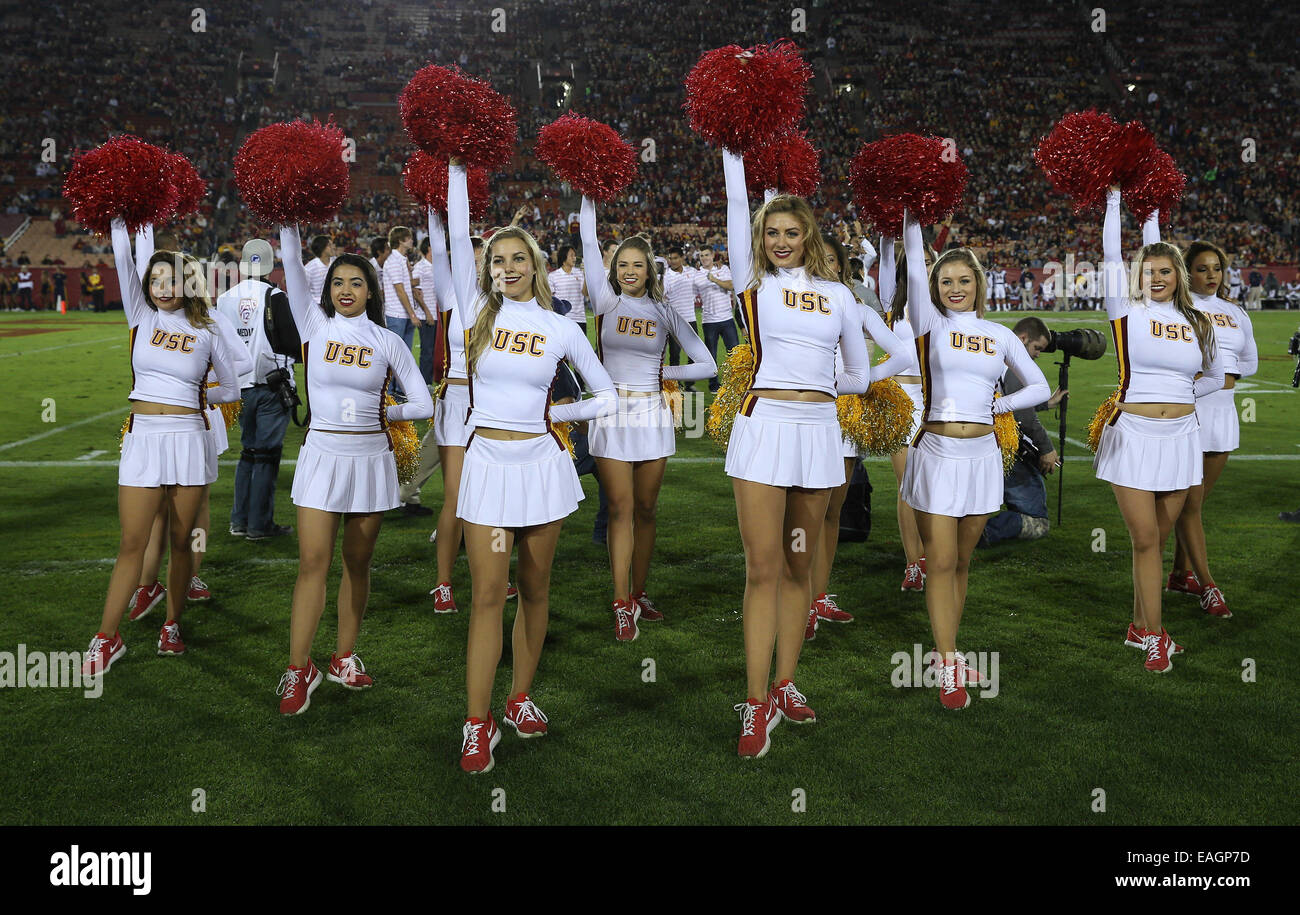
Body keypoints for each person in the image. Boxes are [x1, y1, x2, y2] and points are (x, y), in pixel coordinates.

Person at [446, 161, 616, 773]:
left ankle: (518, 698)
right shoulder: (474, 316)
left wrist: (561, 411)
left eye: (518, 260)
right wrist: (459, 162)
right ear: (487, 268)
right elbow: (457, 225)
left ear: (535, 267)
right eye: (498, 261)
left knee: (536, 590)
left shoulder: (559, 327)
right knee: (489, 595)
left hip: (542, 466)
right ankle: (476, 722)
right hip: (488, 463)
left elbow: (609, 396)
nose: (507, 269)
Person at [721, 150, 871, 758]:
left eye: (792, 232)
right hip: (763, 428)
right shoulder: (753, 286)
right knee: (762, 568)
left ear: (809, 236)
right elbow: (735, 208)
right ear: (760, 239)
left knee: (798, 566)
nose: (781, 241)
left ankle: (785, 684)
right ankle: (756, 703)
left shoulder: (837, 296)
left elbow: (859, 371)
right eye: (772, 233)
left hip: (817, 434)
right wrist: (736, 149)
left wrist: (824, 390)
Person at [273, 224, 434, 715]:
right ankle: (299, 668)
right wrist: (289, 215)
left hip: (370, 459)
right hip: (322, 456)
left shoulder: (388, 341)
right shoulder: (314, 325)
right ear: (328, 291)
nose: (346, 290)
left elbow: (423, 401)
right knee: (312, 564)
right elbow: (293, 261)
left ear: (371, 291)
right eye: (338, 283)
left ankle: (343, 655)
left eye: (356, 283)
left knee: (357, 565)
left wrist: (387, 413)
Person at [900, 209, 1049, 708]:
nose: (954, 288)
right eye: (946, 280)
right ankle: (946, 664)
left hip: (984, 454)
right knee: (939, 560)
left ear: (978, 285)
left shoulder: (1000, 334)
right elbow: (915, 271)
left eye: (964, 280)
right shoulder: (927, 324)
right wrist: (911, 210)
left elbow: (1041, 386)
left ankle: (953, 651)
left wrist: (998, 405)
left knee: (962, 561)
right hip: (937, 451)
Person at [80, 218, 240, 677]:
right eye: (154, 279)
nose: (161, 287)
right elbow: (123, 257)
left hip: (190, 437)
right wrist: (120, 215)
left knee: (181, 540)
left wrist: (201, 395)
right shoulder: (141, 316)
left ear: (188, 283)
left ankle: (172, 623)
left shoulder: (208, 329)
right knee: (132, 542)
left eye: (171, 279)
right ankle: (107, 638)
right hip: (143, 438)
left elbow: (230, 387)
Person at [1093, 188, 1223, 675]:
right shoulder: (1125, 311)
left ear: (1178, 276)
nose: (1157, 278)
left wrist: (1186, 403)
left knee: (1158, 541)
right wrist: (1113, 199)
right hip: (1133, 434)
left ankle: (1138, 626)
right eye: (1148, 271)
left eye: (1166, 270)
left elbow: (1213, 375)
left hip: (1182, 438)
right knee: (1145, 539)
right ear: (1137, 276)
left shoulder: (1197, 321)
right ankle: (1154, 637)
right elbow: (1110, 254)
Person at [580, 193, 716, 641]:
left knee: (646, 509)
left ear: (650, 270)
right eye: (623, 265)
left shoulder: (664, 311)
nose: (630, 272)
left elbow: (708, 364)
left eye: (638, 266)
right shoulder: (604, 301)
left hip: (653, 413)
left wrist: (665, 372)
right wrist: (588, 191)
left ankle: (639, 594)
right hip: (613, 411)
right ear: (613, 270)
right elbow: (586, 239)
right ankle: (621, 603)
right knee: (619, 508)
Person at [126, 228, 254, 617]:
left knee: (193, 511)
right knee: (159, 507)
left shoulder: (211, 319)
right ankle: (149, 584)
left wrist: (199, 388)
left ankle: (191, 575)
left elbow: (244, 365)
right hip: (162, 419)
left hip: (201, 419)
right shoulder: (157, 318)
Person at [806, 233, 909, 635]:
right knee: (803, 515)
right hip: (801, 416)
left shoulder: (858, 308)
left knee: (832, 513)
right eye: (821, 258)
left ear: (844, 267)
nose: (827, 266)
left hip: (843, 418)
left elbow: (899, 353)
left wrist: (858, 382)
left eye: (833, 260)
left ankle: (818, 597)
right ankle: (797, 597)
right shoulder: (792, 301)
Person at [1168, 239, 1257, 618]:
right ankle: (1208, 586)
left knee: (1196, 503)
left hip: (1224, 411)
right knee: (1189, 503)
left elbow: (1250, 362)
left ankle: (1178, 574)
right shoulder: (1179, 310)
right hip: (1192, 407)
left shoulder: (1235, 312)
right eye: (1202, 269)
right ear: (1188, 272)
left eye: (1216, 269)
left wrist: (1224, 369)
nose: (1211, 276)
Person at [217, 238, 296, 541]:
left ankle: (239, 520)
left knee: (248, 452)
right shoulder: (275, 296)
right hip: (270, 384)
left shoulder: (224, 298)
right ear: (270, 265)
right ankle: (259, 525)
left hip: (237, 387)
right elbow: (291, 343)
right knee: (266, 455)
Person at [978, 317, 1067, 547]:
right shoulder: (1014, 364)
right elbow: (1023, 418)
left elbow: (1005, 400)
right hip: (1006, 446)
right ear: (1022, 338)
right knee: (1036, 521)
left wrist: (1044, 404)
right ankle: (980, 534)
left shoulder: (991, 351)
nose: (1038, 354)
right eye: (1037, 348)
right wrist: (1047, 449)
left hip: (982, 439)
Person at [879, 233, 933, 592]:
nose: (926, 269)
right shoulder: (891, 305)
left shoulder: (943, 309)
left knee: (931, 485)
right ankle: (913, 563)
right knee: (906, 486)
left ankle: (933, 556)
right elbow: (886, 261)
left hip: (933, 400)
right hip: (900, 399)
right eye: (920, 263)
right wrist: (888, 231)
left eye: (930, 263)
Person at [397, 235, 442, 518]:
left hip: (467, 382)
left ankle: (404, 490)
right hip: (462, 382)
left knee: (439, 439)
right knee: (440, 438)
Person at [381, 226, 424, 400]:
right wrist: (413, 314)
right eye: (409, 238)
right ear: (400, 240)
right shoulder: (392, 260)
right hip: (396, 314)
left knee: (404, 356)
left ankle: (398, 390)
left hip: (403, 314)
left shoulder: (401, 260)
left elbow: (406, 287)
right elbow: (400, 291)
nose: (412, 241)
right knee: (394, 356)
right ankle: (389, 392)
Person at [694, 246, 737, 393]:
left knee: (734, 353)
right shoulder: (696, 274)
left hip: (727, 319)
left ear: (712, 256)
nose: (704, 258)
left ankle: (736, 383)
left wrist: (714, 279)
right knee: (711, 355)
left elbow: (731, 286)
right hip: (709, 321)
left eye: (706, 254)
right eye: (701, 255)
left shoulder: (723, 269)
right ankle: (713, 385)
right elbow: (691, 293)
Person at [661, 243, 702, 392]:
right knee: (675, 355)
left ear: (682, 258)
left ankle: (689, 383)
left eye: (675, 258)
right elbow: (661, 294)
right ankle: (675, 385)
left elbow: (702, 281)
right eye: (671, 258)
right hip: (675, 320)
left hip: (691, 318)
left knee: (694, 353)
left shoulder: (691, 271)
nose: (672, 261)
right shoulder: (666, 276)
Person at [547, 244, 587, 336]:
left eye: (575, 255)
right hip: (561, 319)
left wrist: (586, 276)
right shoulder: (553, 276)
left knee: (579, 350)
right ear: (564, 257)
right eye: (572, 255)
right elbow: (550, 299)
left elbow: (585, 293)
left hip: (579, 319)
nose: (575, 258)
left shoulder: (580, 273)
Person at [304, 234, 334, 306]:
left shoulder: (336, 263)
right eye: (329, 245)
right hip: (318, 307)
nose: (333, 247)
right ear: (322, 248)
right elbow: (304, 291)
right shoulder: (309, 268)